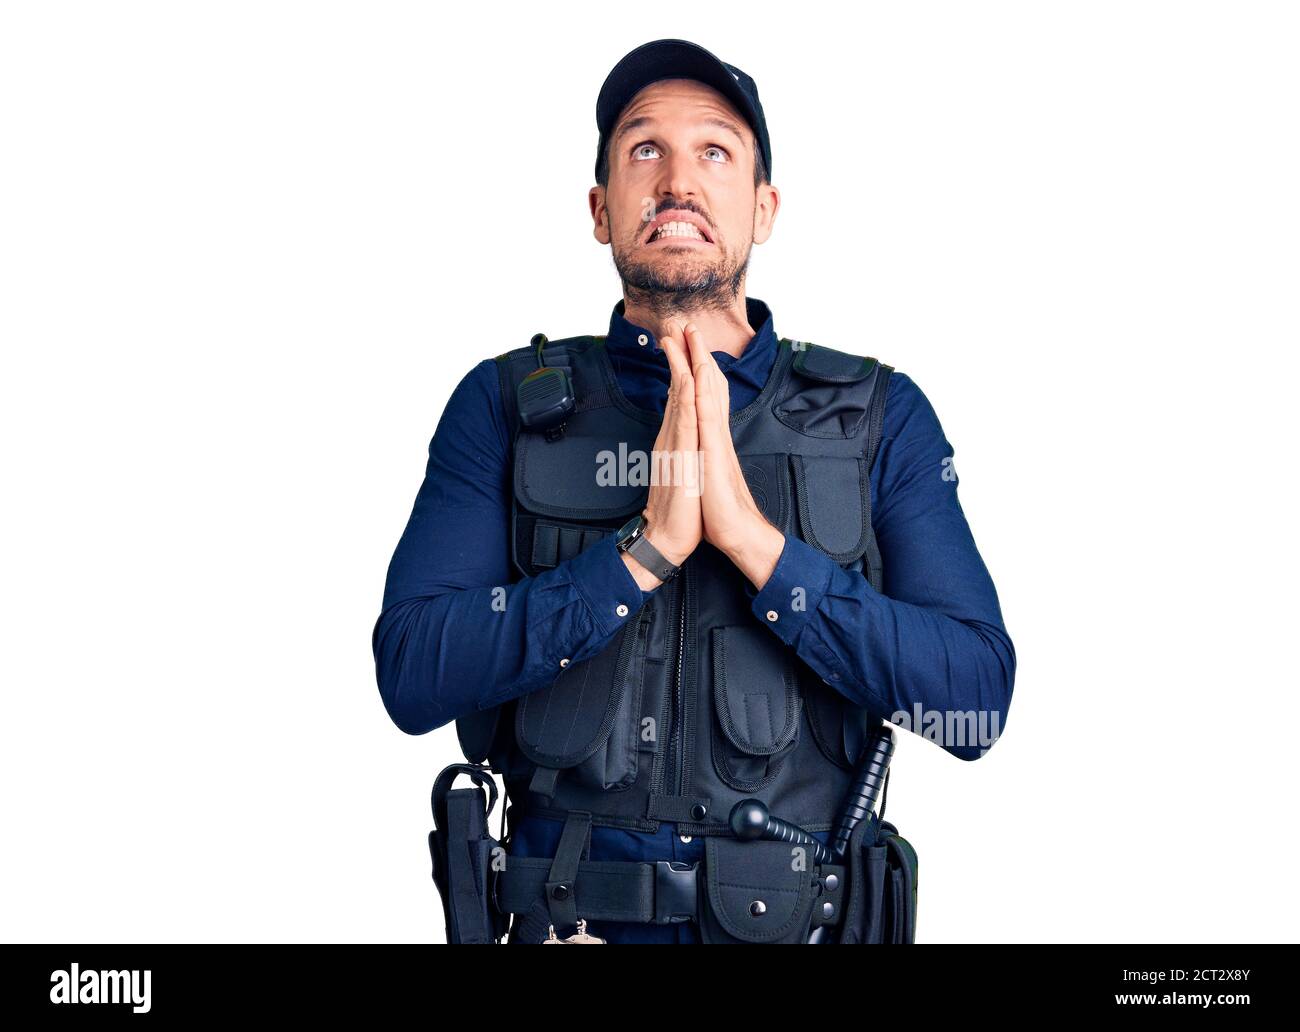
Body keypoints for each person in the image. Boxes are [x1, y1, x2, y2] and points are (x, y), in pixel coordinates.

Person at [373, 38, 1015, 943]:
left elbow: (977, 699)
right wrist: (640, 556)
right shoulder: (504, 405)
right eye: (645, 150)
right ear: (602, 209)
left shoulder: (878, 417)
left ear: (763, 208)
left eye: (714, 151)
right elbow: (410, 671)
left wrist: (758, 547)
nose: (678, 179)